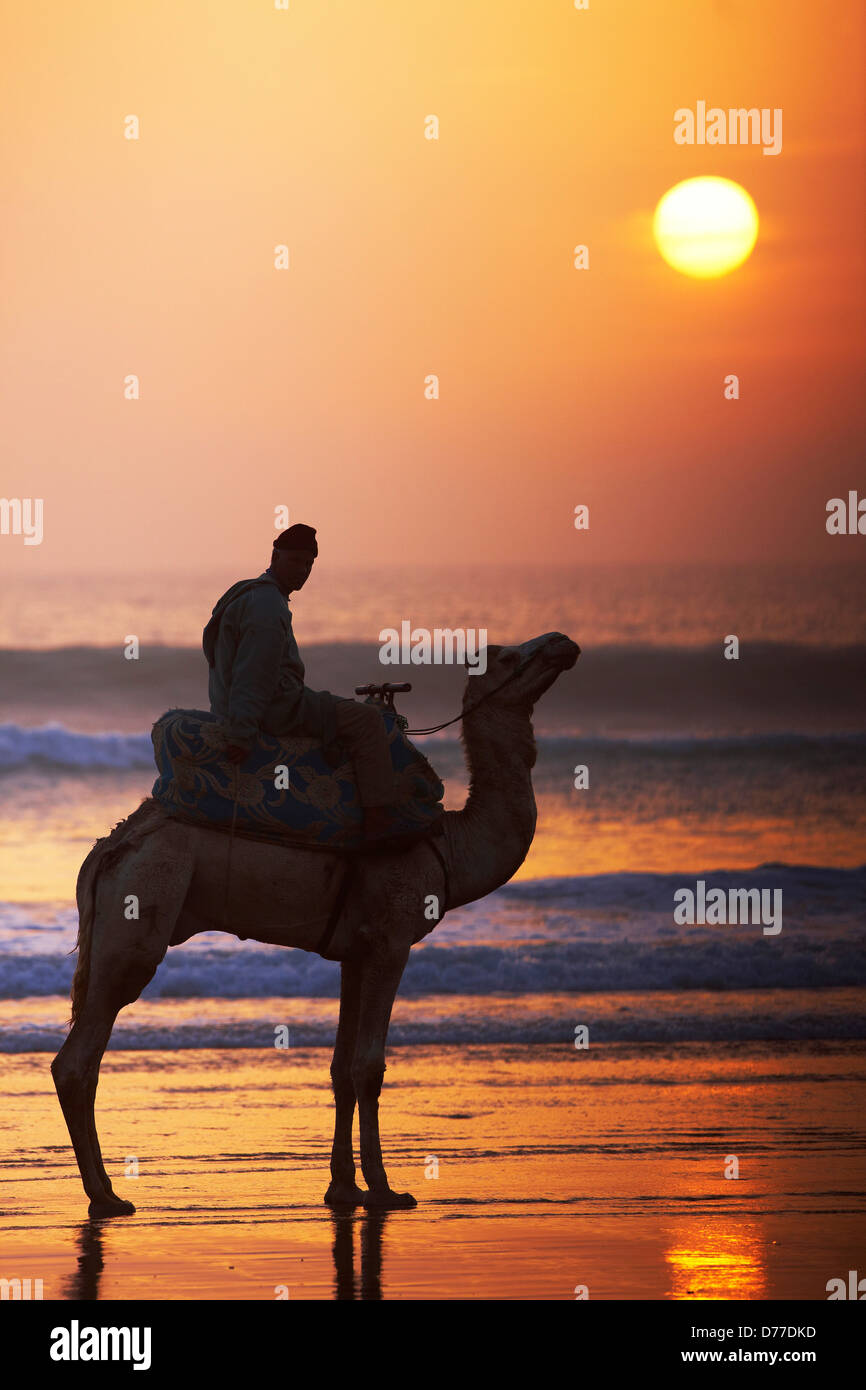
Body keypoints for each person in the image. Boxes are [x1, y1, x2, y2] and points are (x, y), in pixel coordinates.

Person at [203, 524, 397, 840]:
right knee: (367, 720)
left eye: (308, 564)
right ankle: (378, 822)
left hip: (257, 704)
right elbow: (254, 674)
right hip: (278, 708)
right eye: (294, 561)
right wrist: (242, 733)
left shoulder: (248, 592)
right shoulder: (268, 605)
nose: (302, 571)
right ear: (274, 556)